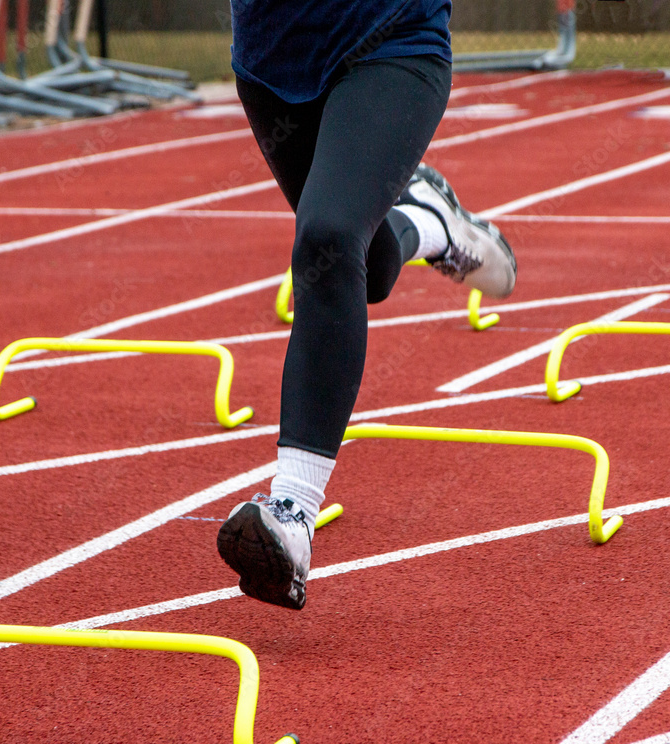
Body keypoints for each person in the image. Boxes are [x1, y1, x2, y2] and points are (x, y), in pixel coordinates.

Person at [216, 0, 517, 610]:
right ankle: (431, 222)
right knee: (364, 264)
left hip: (391, 40)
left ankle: (293, 511)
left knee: (325, 237)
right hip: (272, 60)